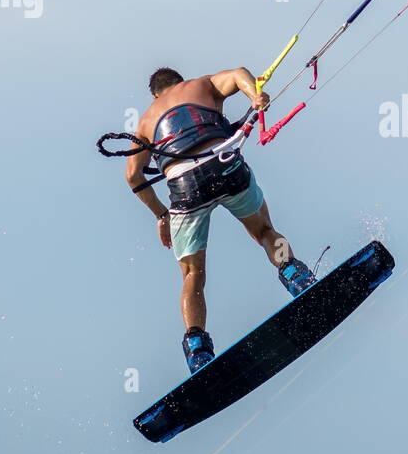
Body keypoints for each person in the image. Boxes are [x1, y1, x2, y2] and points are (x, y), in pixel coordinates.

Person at [124, 66, 317, 374]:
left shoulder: (145, 121)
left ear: (155, 95)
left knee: (192, 275)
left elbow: (132, 175)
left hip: (183, 187)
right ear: (179, 82)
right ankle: (296, 276)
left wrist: (162, 214)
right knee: (265, 230)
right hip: (224, 164)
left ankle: (198, 349)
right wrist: (256, 96)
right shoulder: (200, 84)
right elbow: (239, 73)